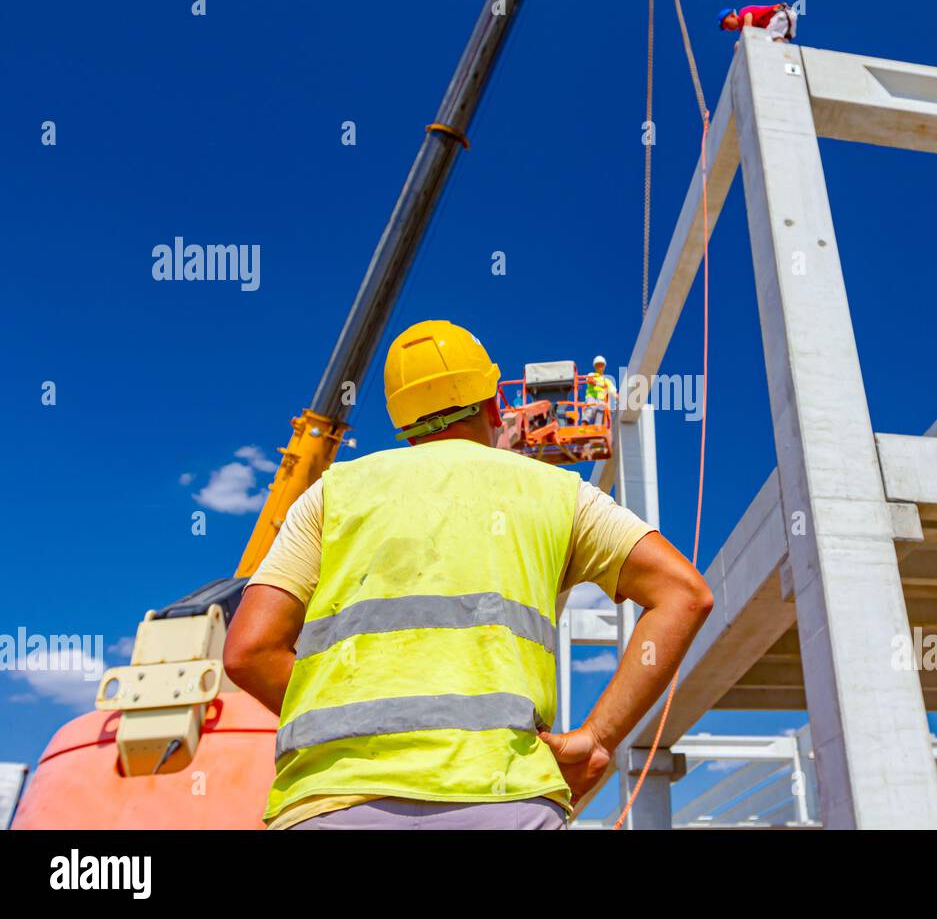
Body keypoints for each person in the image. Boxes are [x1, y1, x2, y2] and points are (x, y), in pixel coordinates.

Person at [224, 320, 712, 830]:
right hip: (504, 802)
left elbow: (248, 651)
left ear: (403, 421)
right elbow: (684, 594)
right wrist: (598, 737)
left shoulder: (333, 492)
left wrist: (342, 717)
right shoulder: (557, 492)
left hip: (332, 803)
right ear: (496, 403)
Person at [718, 3, 797, 44]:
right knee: (779, 46)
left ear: (732, 16)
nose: (728, 29)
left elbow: (748, 28)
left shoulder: (743, 13)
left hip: (780, 15)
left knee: (774, 42)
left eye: (727, 24)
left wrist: (742, 45)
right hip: (787, 18)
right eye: (726, 28)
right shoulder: (743, 27)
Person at [583, 354, 617, 425]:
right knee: (591, 406)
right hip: (591, 397)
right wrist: (600, 385)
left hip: (601, 400)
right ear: (595, 366)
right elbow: (590, 380)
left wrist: (622, 399)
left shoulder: (607, 380)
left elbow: (613, 393)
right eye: (598, 365)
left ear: (604, 366)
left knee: (601, 409)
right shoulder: (592, 374)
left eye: (601, 365)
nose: (600, 366)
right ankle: (585, 423)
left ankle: (597, 427)